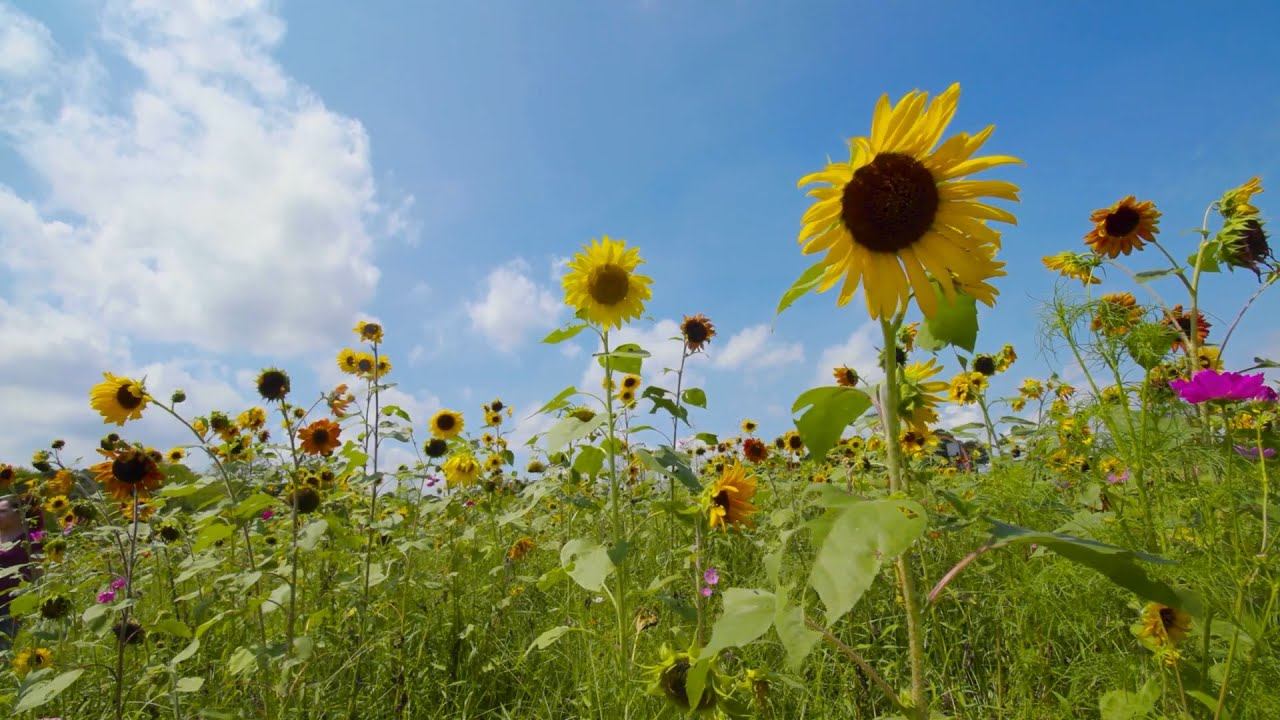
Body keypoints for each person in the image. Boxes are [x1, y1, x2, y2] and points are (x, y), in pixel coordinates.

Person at [0, 495, 40, 651]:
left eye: (2, 511)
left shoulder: (32, 540)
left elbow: (39, 573)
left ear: (19, 513)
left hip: (10, 607)